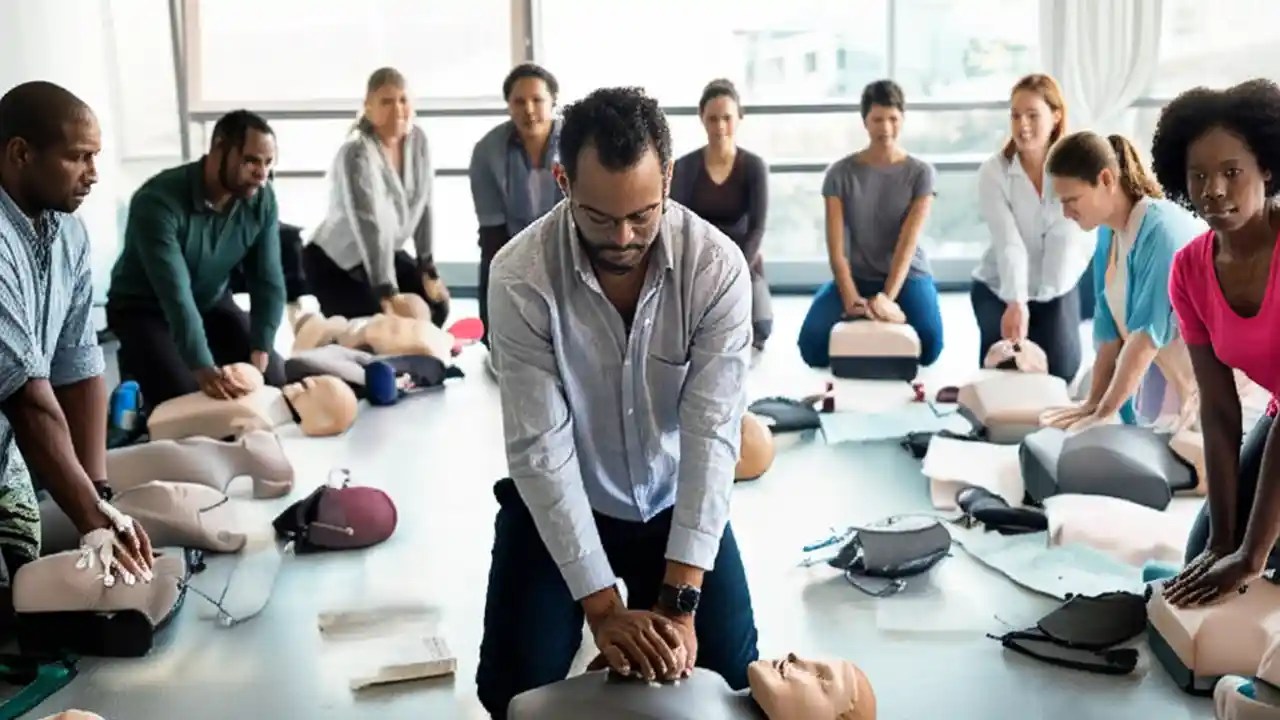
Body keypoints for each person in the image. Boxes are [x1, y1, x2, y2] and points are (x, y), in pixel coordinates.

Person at [477, 86, 759, 718]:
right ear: (562, 182)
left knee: (733, 676)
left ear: (669, 177)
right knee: (512, 691)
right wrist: (603, 612)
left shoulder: (716, 268)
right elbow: (539, 450)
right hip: (567, 495)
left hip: (669, 495)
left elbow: (713, 437)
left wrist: (678, 605)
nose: (625, 238)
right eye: (600, 218)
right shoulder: (519, 277)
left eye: (643, 214)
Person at [0, 81, 154, 624]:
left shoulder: (69, 232)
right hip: (15, 417)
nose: (92, 172)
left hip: (8, 453)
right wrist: (92, 519)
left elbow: (80, 362)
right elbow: (27, 398)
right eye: (77, 157)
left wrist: (100, 493)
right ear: (20, 153)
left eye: (95, 157)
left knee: (27, 586)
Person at [1151, 79, 1280, 607]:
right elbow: (1221, 410)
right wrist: (1224, 540)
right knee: (1201, 559)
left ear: (1266, 169)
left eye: (1231, 172)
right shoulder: (1189, 270)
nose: (1214, 190)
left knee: (1260, 563)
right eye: (1199, 176)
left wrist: (1251, 555)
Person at [106, 109, 286, 409]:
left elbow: (268, 280)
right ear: (218, 149)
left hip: (211, 300)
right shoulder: (157, 201)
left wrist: (261, 345)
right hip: (145, 309)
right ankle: (136, 400)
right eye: (251, 160)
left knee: (275, 377)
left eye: (268, 163)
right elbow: (175, 296)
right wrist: (201, 365)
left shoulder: (261, 198)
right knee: (189, 397)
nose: (262, 173)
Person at [1039, 131, 1204, 433]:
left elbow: (1145, 336)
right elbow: (1109, 333)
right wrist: (1091, 404)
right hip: (1170, 382)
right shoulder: (1109, 234)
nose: (1065, 212)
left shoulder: (1161, 230)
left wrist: (1102, 413)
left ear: (1105, 180)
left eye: (1072, 199)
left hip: (1212, 384)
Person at [797, 79, 943, 367]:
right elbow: (837, 251)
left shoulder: (921, 174)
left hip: (907, 276)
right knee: (811, 347)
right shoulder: (839, 174)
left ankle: (886, 313)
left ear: (903, 119)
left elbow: (906, 246)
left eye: (893, 119)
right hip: (858, 275)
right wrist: (850, 297)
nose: (885, 128)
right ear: (865, 121)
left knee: (929, 347)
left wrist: (886, 301)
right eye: (877, 119)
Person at [971, 74, 1095, 383]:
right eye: (1015, 115)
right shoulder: (994, 171)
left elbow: (1075, 238)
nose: (1022, 124)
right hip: (1000, 288)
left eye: (1032, 115)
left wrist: (1048, 298)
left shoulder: (1077, 170)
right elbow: (1008, 242)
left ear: (1055, 117)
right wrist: (1017, 301)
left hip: (1054, 289)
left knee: (1060, 375)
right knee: (1003, 374)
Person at [304, 67, 449, 327]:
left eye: (403, 100)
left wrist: (428, 268)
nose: (397, 109)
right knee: (379, 324)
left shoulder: (419, 142)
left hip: (384, 251)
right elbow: (369, 224)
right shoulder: (357, 154)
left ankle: (416, 357)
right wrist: (386, 291)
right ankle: (317, 331)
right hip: (335, 262)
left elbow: (425, 205)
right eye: (386, 101)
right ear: (368, 107)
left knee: (436, 307)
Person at [671, 79, 772, 350]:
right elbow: (676, 226)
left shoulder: (754, 166)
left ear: (739, 118)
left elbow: (757, 229)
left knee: (760, 329)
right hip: (697, 264)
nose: (720, 127)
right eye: (712, 119)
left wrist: (736, 270)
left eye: (727, 118)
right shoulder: (684, 167)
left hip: (742, 261)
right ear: (702, 119)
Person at [470, 62, 564, 346]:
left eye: (537, 100)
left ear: (553, 102)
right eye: (519, 101)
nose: (529, 110)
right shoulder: (487, 151)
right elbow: (492, 231)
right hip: (511, 244)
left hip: (568, 243)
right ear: (508, 105)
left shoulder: (579, 142)